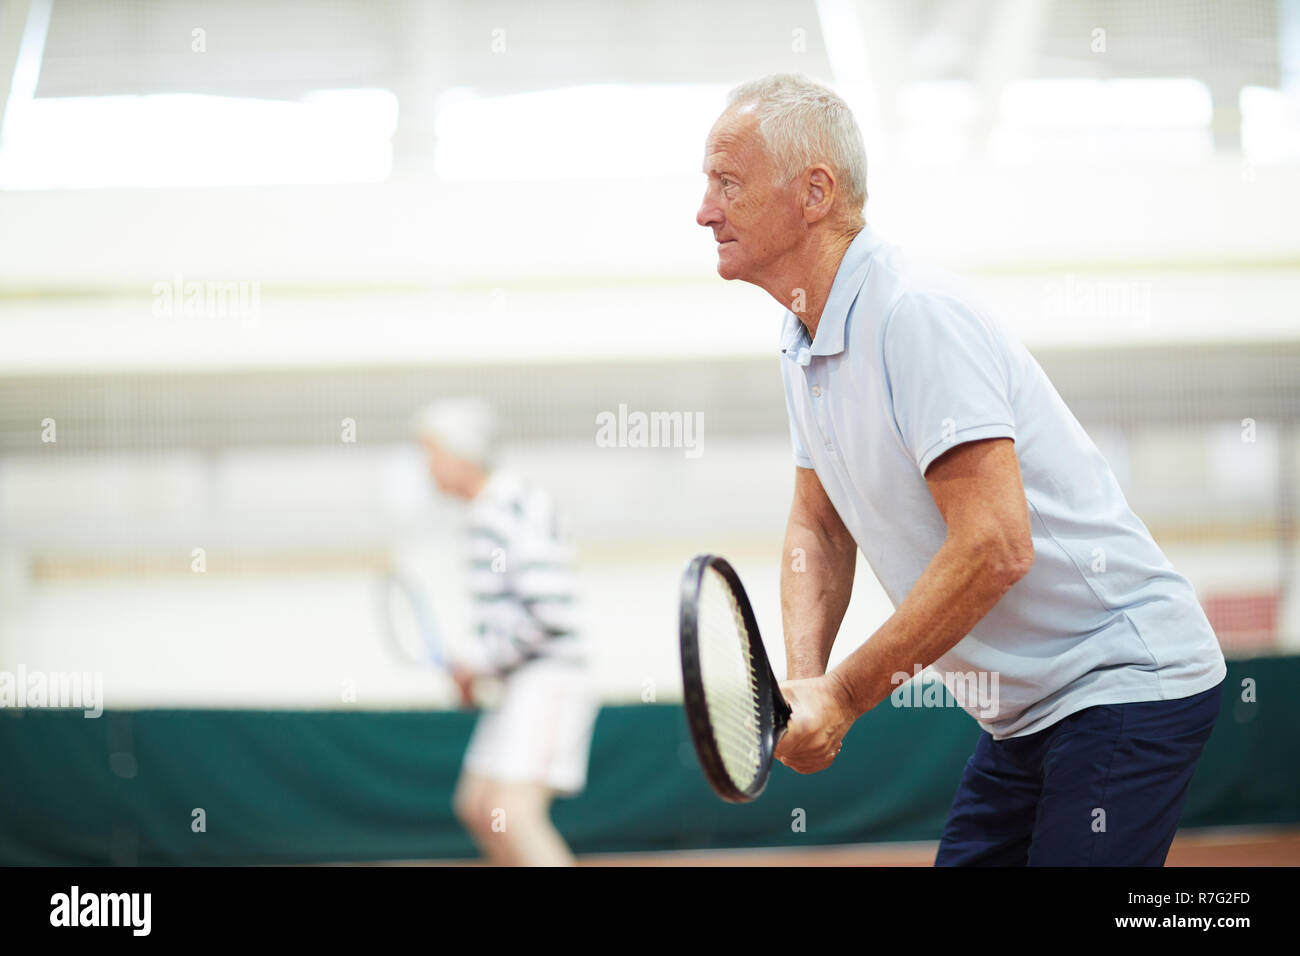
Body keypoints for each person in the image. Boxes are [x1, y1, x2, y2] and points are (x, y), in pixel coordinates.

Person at [695, 74, 1226, 866]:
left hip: (1123, 679)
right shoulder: (798, 335)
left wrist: (843, 696)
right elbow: (820, 523)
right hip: (1021, 717)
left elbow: (995, 546)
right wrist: (804, 684)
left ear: (814, 192)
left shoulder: (914, 314)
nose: (704, 211)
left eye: (726, 184)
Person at [413, 397, 596, 866]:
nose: (427, 467)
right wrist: (479, 664)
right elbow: (516, 615)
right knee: (478, 806)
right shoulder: (488, 509)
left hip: (550, 678)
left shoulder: (507, 506)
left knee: (512, 813)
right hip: (522, 681)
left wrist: (480, 664)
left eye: (431, 453)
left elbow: (549, 611)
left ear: (460, 454)